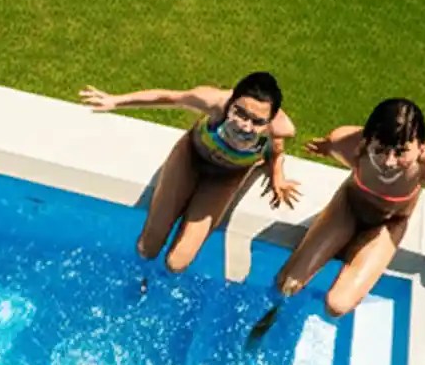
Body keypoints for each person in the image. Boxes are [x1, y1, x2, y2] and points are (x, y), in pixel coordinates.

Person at [249, 98, 425, 339]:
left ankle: (344, 267)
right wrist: (327, 147)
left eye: (401, 152)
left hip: (389, 223)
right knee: (286, 285)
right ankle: (270, 324)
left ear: (421, 147)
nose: (389, 162)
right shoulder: (348, 144)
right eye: (379, 150)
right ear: (367, 140)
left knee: (337, 305)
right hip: (348, 207)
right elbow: (334, 143)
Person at [79, 72, 299, 281]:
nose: (245, 125)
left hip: (226, 176)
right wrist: (116, 101)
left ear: (269, 120)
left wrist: (277, 175)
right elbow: (170, 97)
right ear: (231, 101)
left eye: (257, 121)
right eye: (239, 112)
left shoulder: (280, 128)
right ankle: (139, 282)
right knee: (148, 246)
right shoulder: (213, 102)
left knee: (177, 263)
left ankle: (158, 288)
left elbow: (276, 149)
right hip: (191, 158)